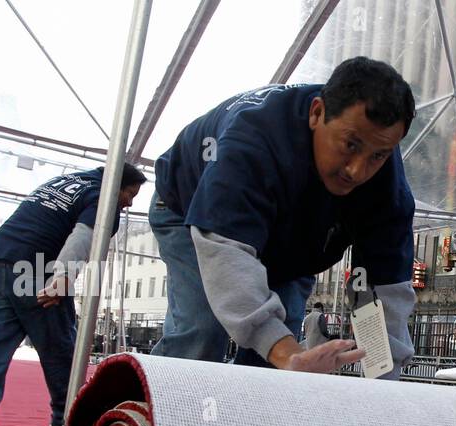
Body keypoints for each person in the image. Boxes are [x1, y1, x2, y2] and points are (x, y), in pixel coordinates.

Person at [150, 57, 417, 377]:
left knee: (277, 359)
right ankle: (157, 418)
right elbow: (226, 255)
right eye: (350, 145)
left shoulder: (387, 190)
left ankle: (251, 425)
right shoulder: (251, 142)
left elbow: (383, 293)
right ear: (317, 113)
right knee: (202, 332)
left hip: (291, 246)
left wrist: (382, 380)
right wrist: (287, 353)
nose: (357, 170)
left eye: (377, 155)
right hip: (189, 208)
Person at [0, 163, 146, 426]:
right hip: (35, 268)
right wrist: (63, 277)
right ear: (117, 183)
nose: (128, 203)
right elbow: (84, 235)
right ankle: (68, 418)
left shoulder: (64, 182)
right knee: (60, 347)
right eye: (130, 193)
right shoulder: (102, 197)